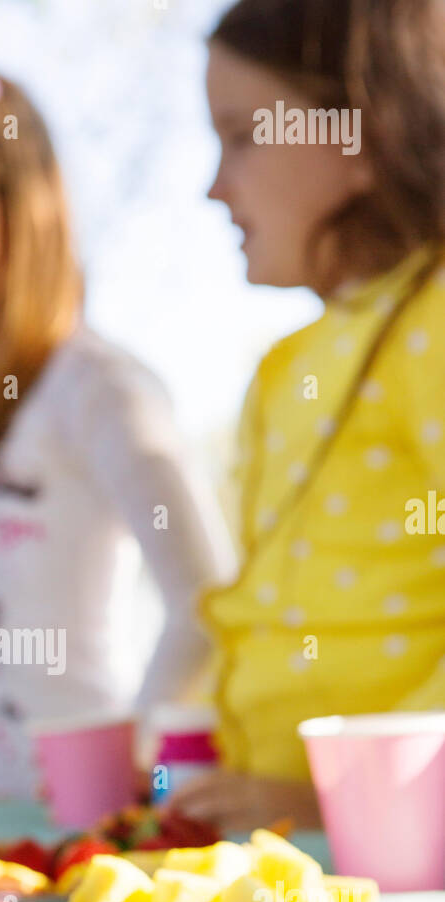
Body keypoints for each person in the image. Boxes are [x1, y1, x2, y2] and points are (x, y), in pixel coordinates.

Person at [0, 0, 235, 799]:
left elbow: (207, 601)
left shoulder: (98, 390)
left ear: (19, 199)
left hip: (82, 839)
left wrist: (133, 767)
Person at [167, 0, 445, 831]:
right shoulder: (283, 369)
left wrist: (334, 804)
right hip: (299, 852)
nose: (215, 185)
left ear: (363, 133)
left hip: (402, 868)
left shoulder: (431, 319)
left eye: (244, 135)